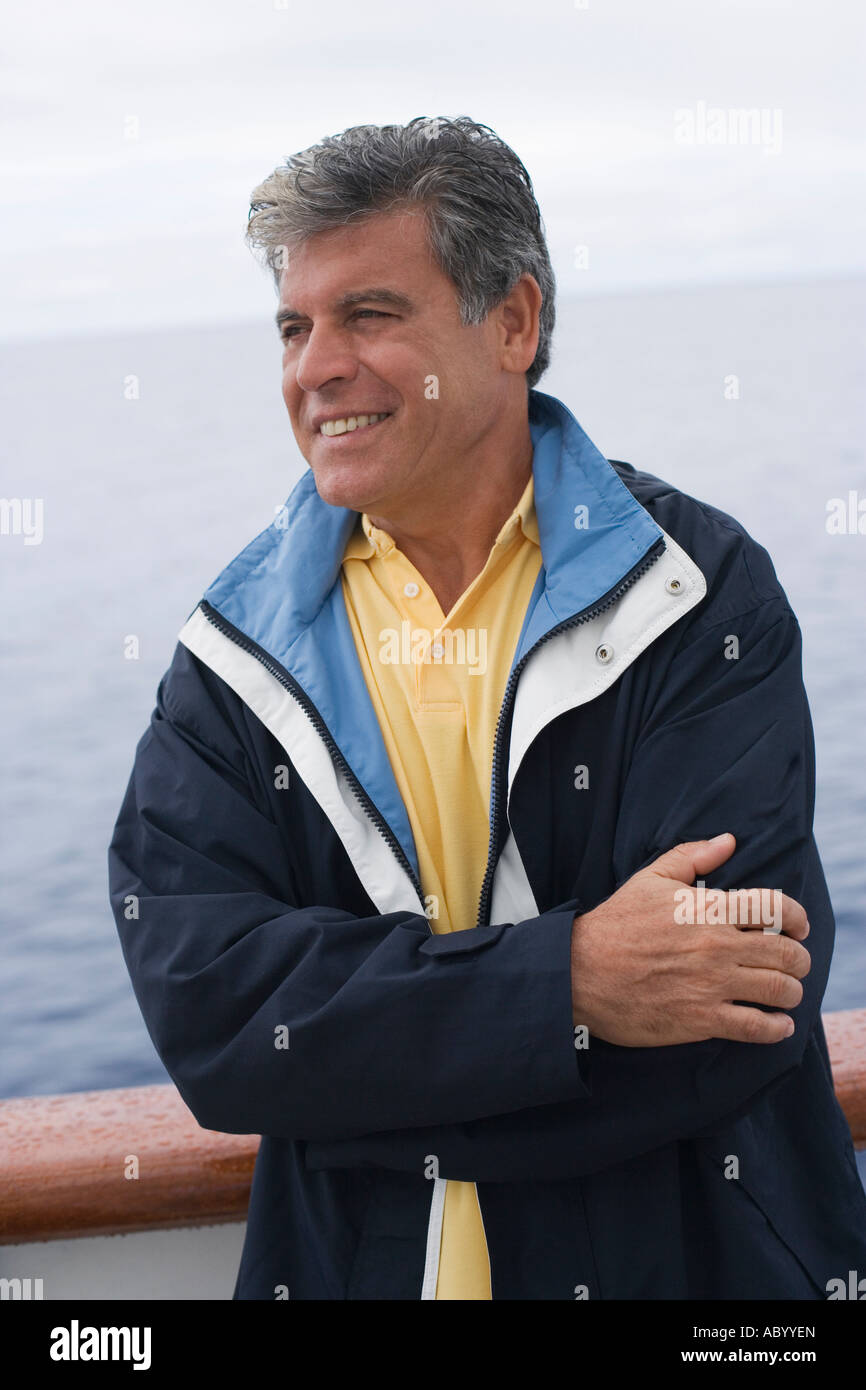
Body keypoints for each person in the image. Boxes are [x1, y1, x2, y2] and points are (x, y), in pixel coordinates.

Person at [109, 116, 866, 1300]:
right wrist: (563, 985)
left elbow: (728, 1012)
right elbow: (215, 1021)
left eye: (368, 314)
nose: (315, 367)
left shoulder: (695, 588)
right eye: (295, 328)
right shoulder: (233, 652)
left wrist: (353, 1082)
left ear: (511, 322)